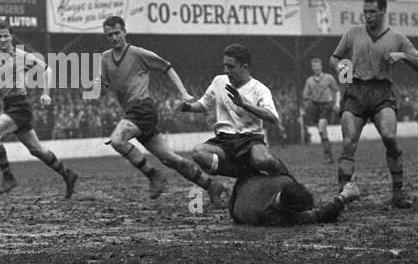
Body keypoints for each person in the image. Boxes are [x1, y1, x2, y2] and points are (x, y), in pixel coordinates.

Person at [99, 15, 223, 202]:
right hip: (132, 113)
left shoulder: (138, 54)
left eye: (117, 33)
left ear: (125, 31)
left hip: (143, 108)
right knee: (170, 158)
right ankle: (211, 185)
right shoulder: (105, 58)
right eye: (109, 35)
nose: (114, 38)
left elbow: (167, 68)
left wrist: (183, 92)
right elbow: (103, 87)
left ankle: (153, 175)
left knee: (117, 141)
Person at [330, 0, 418, 209]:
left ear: (383, 11)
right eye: (365, 12)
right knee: (348, 143)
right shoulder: (353, 33)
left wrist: (402, 56)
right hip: (356, 90)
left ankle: (398, 193)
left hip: (382, 92)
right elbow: (336, 57)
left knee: (390, 137)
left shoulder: (397, 38)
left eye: (372, 12)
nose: (368, 16)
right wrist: (342, 71)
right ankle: (342, 197)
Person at [0, 23, 78, 197]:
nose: (2, 39)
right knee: (37, 150)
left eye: (5, 36)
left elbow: (48, 70)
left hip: (20, 106)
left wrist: (45, 93)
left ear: (11, 37)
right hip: (8, 106)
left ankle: (8, 177)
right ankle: (68, 174)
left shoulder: (22, 56)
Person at [179, 43, 285, 182]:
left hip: (249, 138)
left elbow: (273, 118)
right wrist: (188, 107)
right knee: (199, 153)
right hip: (224, 140)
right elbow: (205, 103)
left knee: (264, 160)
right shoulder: (219, 81)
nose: (226, 70)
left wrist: (244, 104)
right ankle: (246, 174)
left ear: (245, 67)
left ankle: (284, 174)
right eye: (225, 65)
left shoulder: (259, 89)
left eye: (231, 67)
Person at [229, 159, 361, 226]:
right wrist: (344, 196)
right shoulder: (273, 216)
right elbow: (318, 216)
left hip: (241, 193)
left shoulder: (282, 181)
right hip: (237, 205)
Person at [301, 56, 341, 162]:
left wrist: (337, 103)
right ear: (312, 68)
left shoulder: (329, 78)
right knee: (322, 131)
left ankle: (327, 155)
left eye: (318, 66)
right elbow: (305, 95)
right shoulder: (309, 81)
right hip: (315, 106)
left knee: (321, 127)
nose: (316, 68)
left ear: (321, 66)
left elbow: (337, 90)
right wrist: (308, 100)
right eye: (314, 66)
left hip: (326, 105)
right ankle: (329, 154)